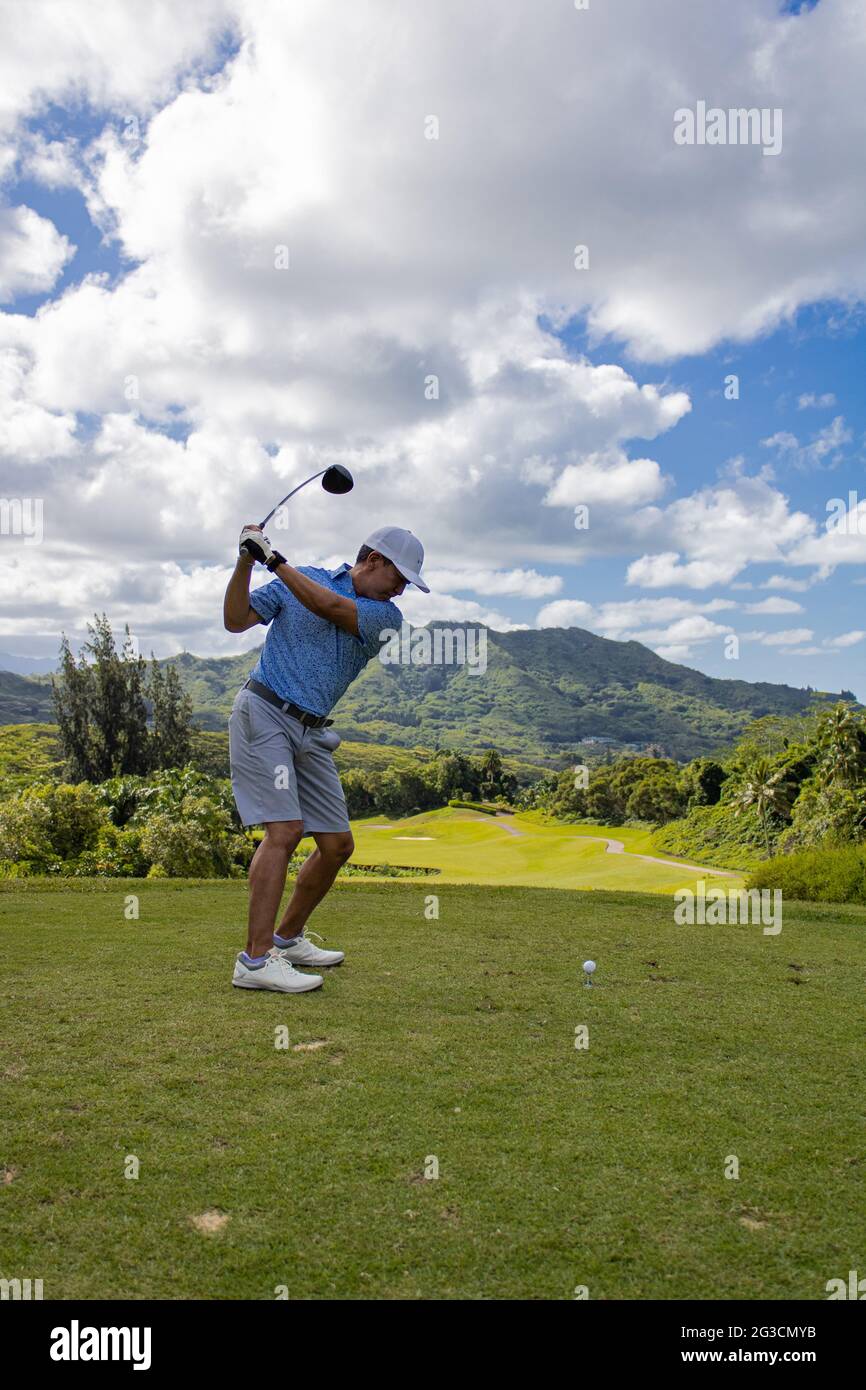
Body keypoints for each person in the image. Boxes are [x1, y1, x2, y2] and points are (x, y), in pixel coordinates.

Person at [223, 522, 429, 994]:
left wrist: (273, 560)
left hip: (312, 732)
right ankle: (254, 962)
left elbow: (329, 605)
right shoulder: (304, 576)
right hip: (265, 712)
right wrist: (245, 561)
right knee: (285, 830)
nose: (401, 590)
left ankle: (286, 938)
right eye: (399, 577)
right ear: (373, 559)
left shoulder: (385, 618)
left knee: (337, 845)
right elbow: (236, 620)